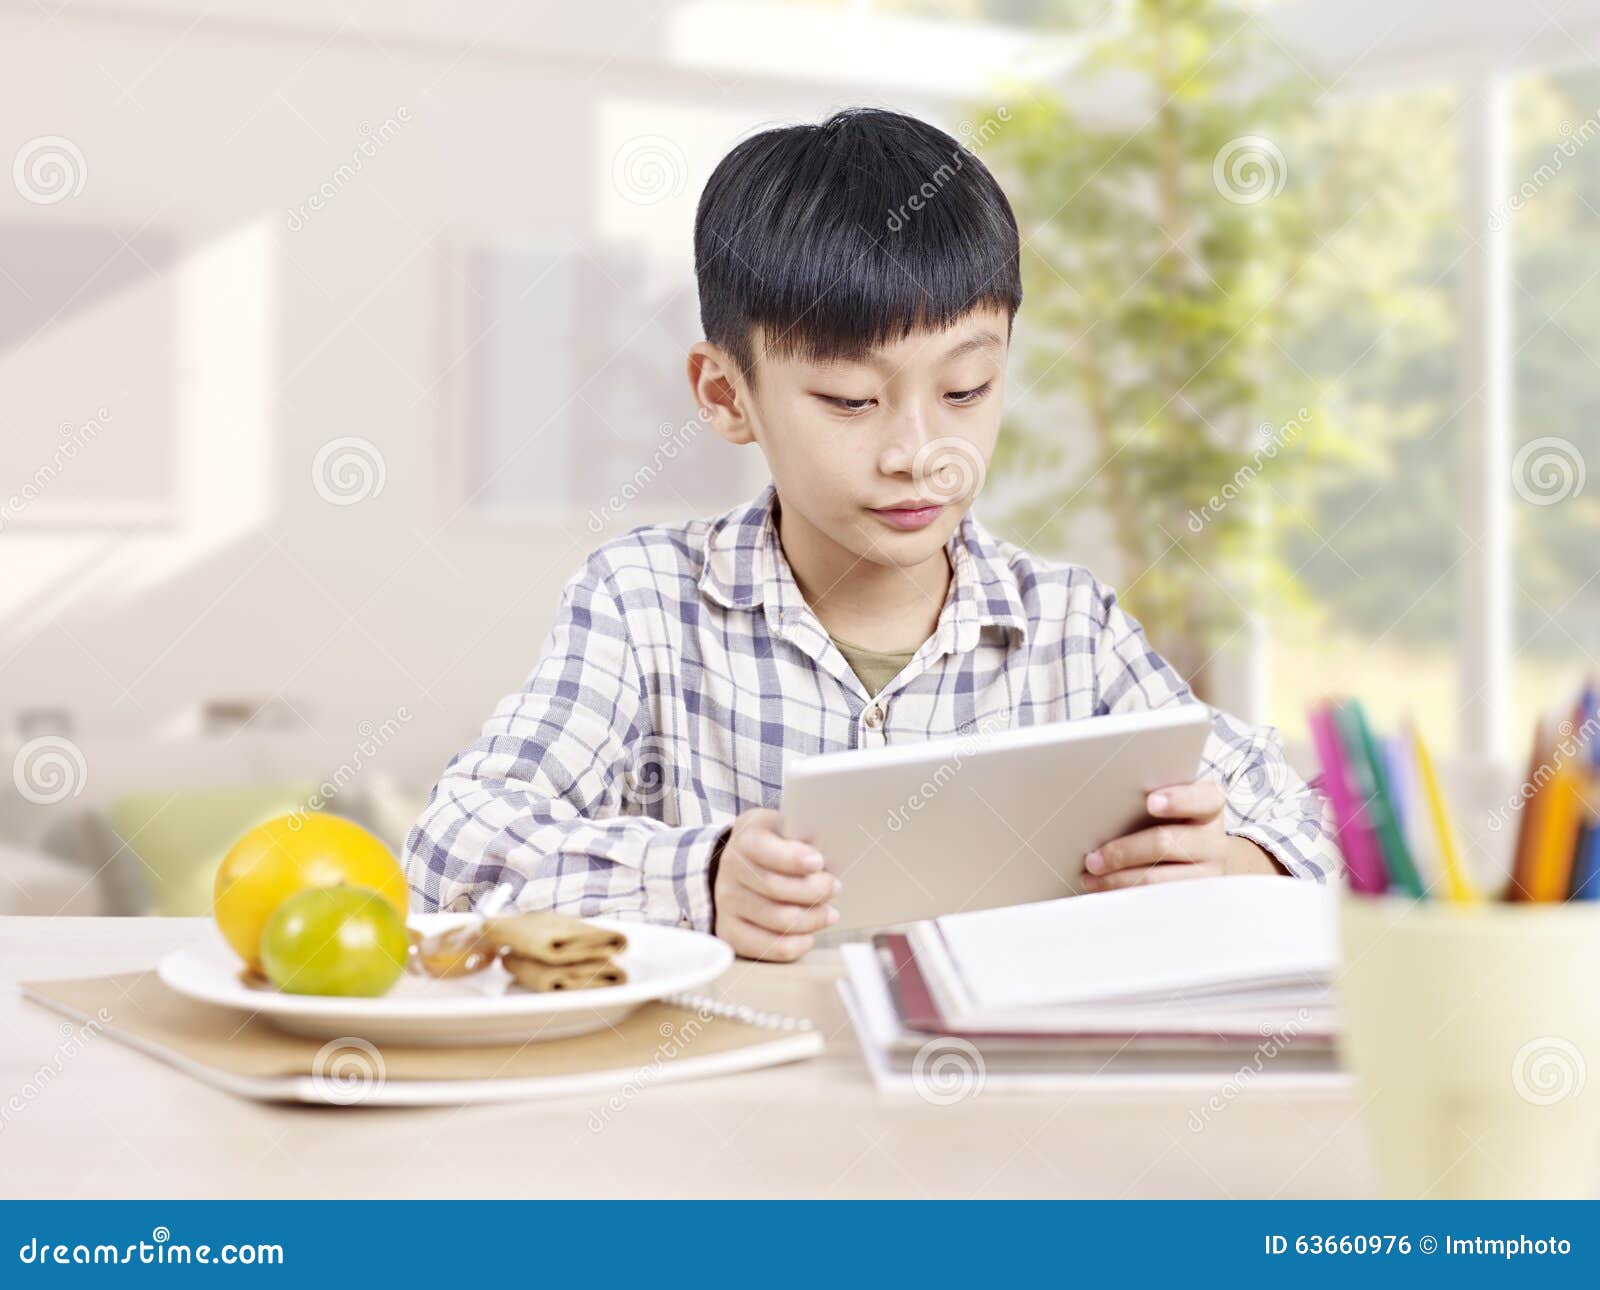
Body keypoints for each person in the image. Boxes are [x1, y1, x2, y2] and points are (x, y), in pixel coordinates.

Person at [405, 107, 1338, 961]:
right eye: (852, 400)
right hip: (727, 1116)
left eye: (965, 391)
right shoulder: (643, 602)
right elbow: (454, 846)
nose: (918, 453)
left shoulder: (1070, 631)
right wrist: (699, 879)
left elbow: (1318, 827)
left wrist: (1232, 863)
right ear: (727, 394)